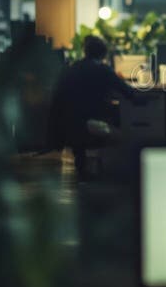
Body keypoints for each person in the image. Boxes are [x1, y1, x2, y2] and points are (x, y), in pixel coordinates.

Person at [48, 35, 134, 179]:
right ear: (103, 53)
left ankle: (85, 168)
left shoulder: (72, 69)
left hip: (67, 125)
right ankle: (112, 171)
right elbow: (128, 93)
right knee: (126, 133)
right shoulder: (103, 70)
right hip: (91, 125)